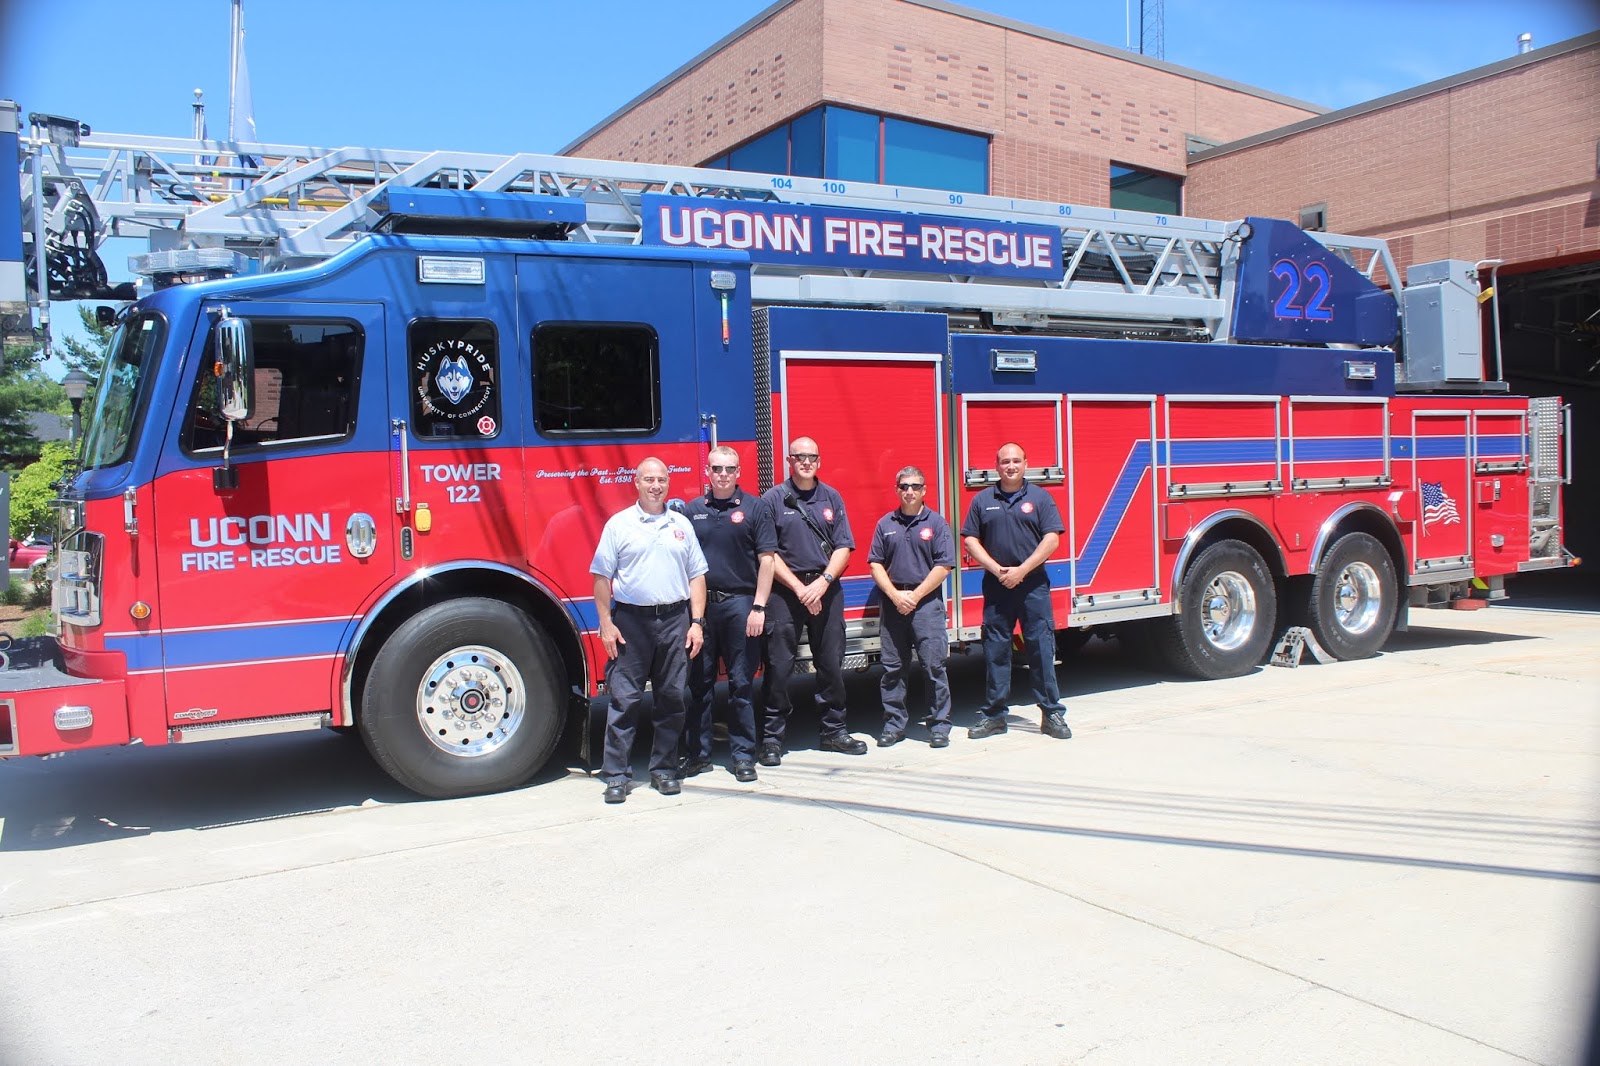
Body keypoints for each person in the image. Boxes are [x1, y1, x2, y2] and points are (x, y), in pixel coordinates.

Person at [590, 458, 709, 803]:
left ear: (668, 483)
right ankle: (616, 775)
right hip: (631, 622)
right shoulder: (619, 525)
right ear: (637, 483)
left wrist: (697, 623)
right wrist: (606, 624)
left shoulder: (681, 525)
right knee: (624, 700)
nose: (656, 486)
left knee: (671, 699)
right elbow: (601, 577)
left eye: (661, 480)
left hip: (675, 620)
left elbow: (697, 576)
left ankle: (664, 770)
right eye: (649, 480)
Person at [759, 436, 867, 764]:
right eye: (799, 456)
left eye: (812, 457)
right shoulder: (773, 499)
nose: (806, 462)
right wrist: (799, 589)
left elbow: (843, 547)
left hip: (825, 588)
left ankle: (834, 731)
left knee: (831, 663)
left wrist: (822, 583)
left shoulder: (831, 497)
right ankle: (772, 739)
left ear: (819, 461)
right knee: (779, 666)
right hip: (785, 591)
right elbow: (767, 553)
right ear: (789, 461)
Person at [960, 442, 1072, 741]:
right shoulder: (983, 499)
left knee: (1040, 649)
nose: (1010, 466)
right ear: (997, 466)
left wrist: (1022, 570)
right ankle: (995, 716)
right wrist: (998, 570)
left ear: (1026, 464)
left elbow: (1052, 539)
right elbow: (970, 540)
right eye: (1005, 461)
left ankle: (1051, 714)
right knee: (996, 651)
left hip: (1033, 585)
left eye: (1016, 461)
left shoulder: (1040, 498)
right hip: (997, 586)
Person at [682, 445, 776, 783]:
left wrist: (759, 607)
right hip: (702, 609)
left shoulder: (755, 508)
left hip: (741, 606)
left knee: (741, 684)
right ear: (707, 471)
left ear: (739, 472)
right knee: (699, 685)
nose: (723, 474)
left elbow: (767, 560)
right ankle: (699, 755)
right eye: (717, 468)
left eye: (730, 469)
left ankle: (743, 756)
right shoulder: (693, 511)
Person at [867, 466, 956, 748]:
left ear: (924, 490)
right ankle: (894, 726)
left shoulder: (937, 523)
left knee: (934, 667)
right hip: (893, 604)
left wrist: (914, 596)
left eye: (915, 486)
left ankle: (939, 726)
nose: (909, 491)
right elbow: (875, 564)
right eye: (904, 486)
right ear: (897, 490)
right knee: (893, 669)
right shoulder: (885, 524)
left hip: (926, 605)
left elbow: (944, 566)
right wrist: (895, 596)